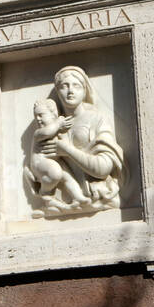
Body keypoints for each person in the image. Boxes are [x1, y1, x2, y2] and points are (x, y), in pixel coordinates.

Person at [26, 66, 124, 217]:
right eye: (64, 86)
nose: (70, 91)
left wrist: (67, 150)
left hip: (100, 194)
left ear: (84, 90)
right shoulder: (52, 126)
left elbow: (104, 168)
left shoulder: (96, 119)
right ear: (58, 92)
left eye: (76, 85)